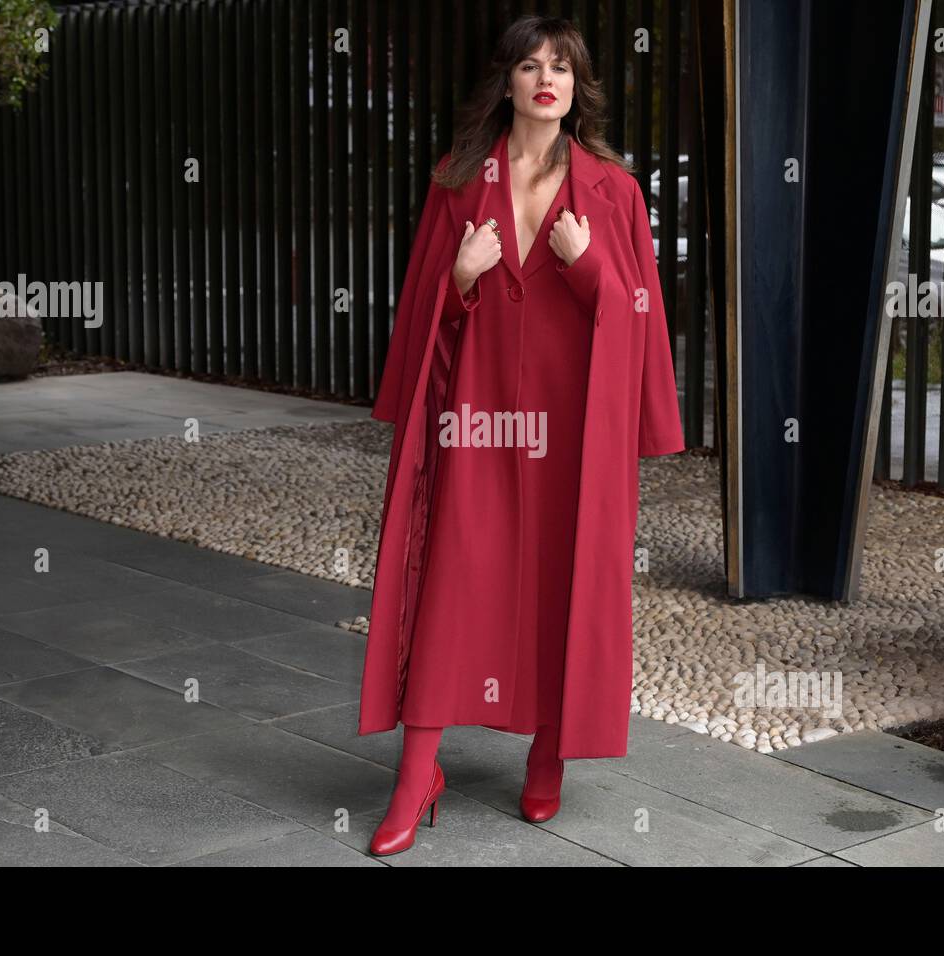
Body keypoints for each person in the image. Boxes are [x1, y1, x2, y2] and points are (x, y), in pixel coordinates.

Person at [358, 14, 684, 857]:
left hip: (574, 433)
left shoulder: (614, 191)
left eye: (564, 68)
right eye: (532, 66)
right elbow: (426, 318)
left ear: (579, 87)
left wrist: (586, 267)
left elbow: (638, 321)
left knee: (561, 581)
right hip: (477, 423)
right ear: (504, 82)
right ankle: (415, 772)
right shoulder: (459, 181)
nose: (548, 80)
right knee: (453, 586)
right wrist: (459, 280)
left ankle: (550, 751)